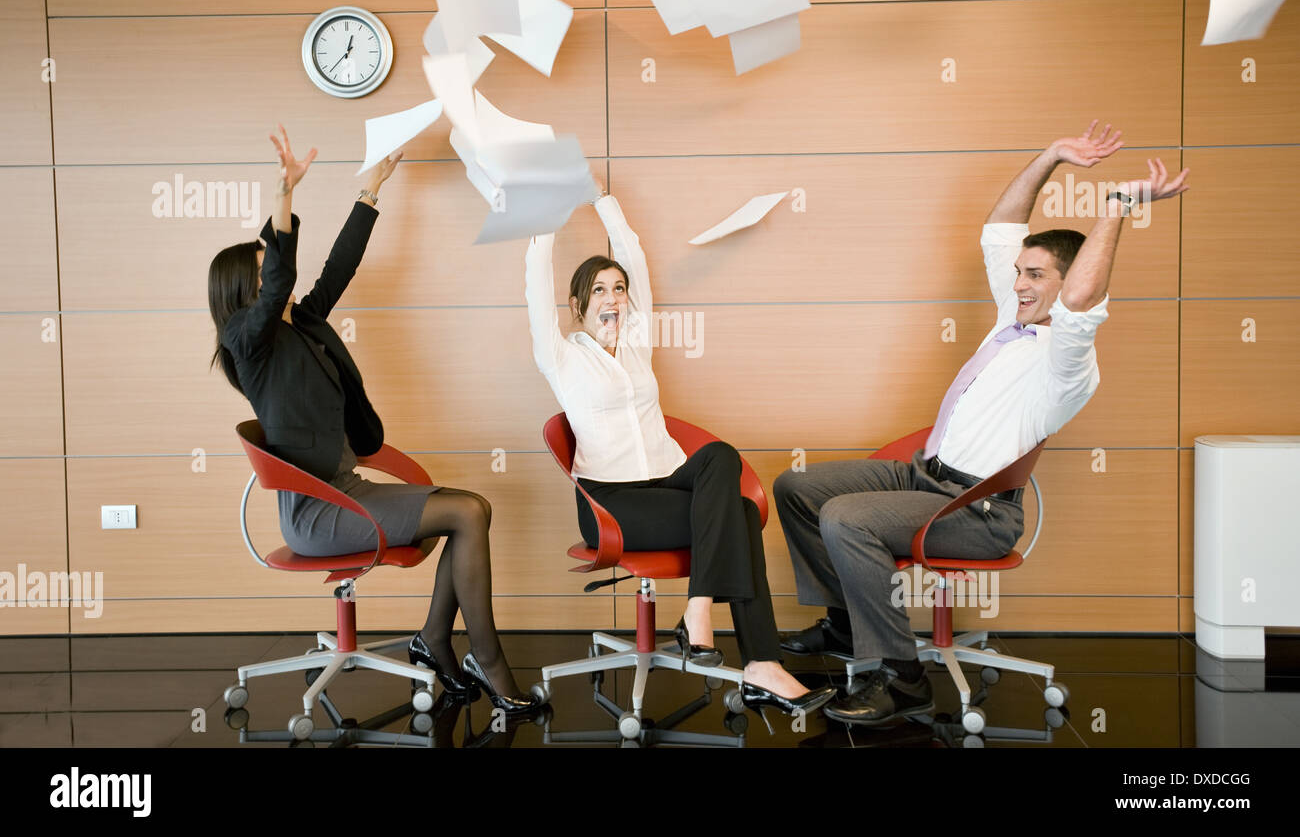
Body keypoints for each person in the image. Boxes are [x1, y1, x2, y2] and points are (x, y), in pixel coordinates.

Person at [774, 121, 1190, 726]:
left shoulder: (1067, 361)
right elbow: (1000, 229)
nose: (1019, 284)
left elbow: (1079, 303)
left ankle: (904, 680)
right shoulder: (1011, 317)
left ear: (1066, 283)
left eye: (1036, 275)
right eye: (1019, 273)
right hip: (923, 477)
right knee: (796, 489)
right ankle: (846, 624)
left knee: (844, 519)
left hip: (976, 508)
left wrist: (1120, 204)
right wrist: (1051, 155)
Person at [208, 125, 538, 713]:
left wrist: (372, 190)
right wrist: (284, 194)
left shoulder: (300, 326)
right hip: (316, 511)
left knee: (468, 512)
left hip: (347, 490)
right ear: (247, 289)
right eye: (265, 271)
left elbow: (338, 269)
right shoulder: (247, 343)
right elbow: (280, 276)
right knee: (467, 510)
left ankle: (433, 640)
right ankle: (487, 664)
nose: (276, 275)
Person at [525, 180, 837, 721]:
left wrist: (605, 200)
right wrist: (552, 206)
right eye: (598, 291)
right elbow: (534, 279)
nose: (612, 298)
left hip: (668, 481)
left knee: (721, 459)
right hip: (610, 502)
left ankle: (699, 609)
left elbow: (635, 258)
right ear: (576, 305)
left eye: (617, 289)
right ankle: (759, 662)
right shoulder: (560, 356)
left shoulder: (638, 339)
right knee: (737, 514)